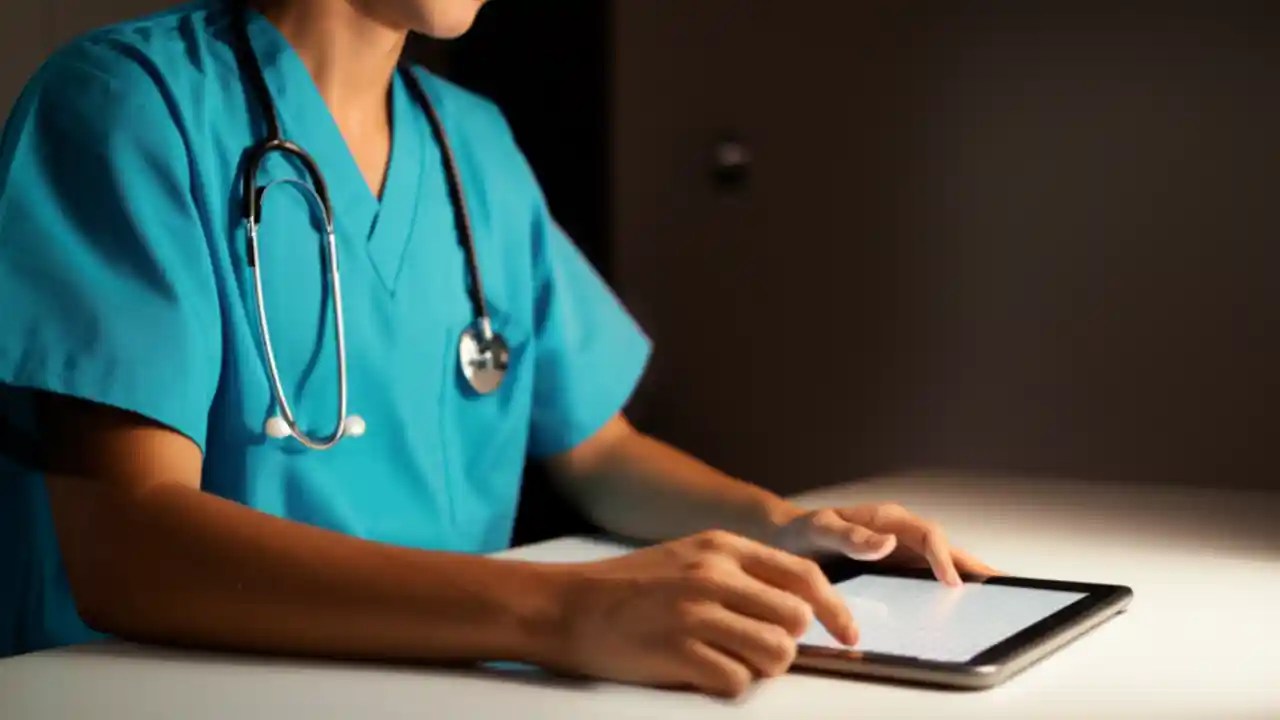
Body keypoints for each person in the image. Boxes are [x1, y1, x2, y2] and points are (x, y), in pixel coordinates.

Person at [0, 0, 995, 698]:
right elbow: (126, 547)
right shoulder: (126, 104)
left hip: (438, 684)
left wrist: (785, 532)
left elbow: (598, 456)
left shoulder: (470, 143)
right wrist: (559, 613)